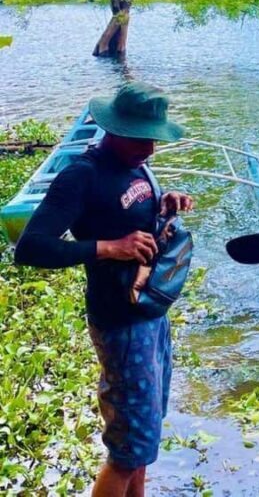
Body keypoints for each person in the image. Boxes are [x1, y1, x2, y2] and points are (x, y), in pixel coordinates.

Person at [15, 83, 193, 497]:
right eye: (141, 137)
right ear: (114, 129)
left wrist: (165, 202)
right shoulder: (82, 176)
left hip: (151, 314)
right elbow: (31, 248)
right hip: (120, 324)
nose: (150, 148)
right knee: (126, 452)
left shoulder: (137, 164)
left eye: (153, 137)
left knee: (143, 440)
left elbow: (130, 210)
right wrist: (109, 248)